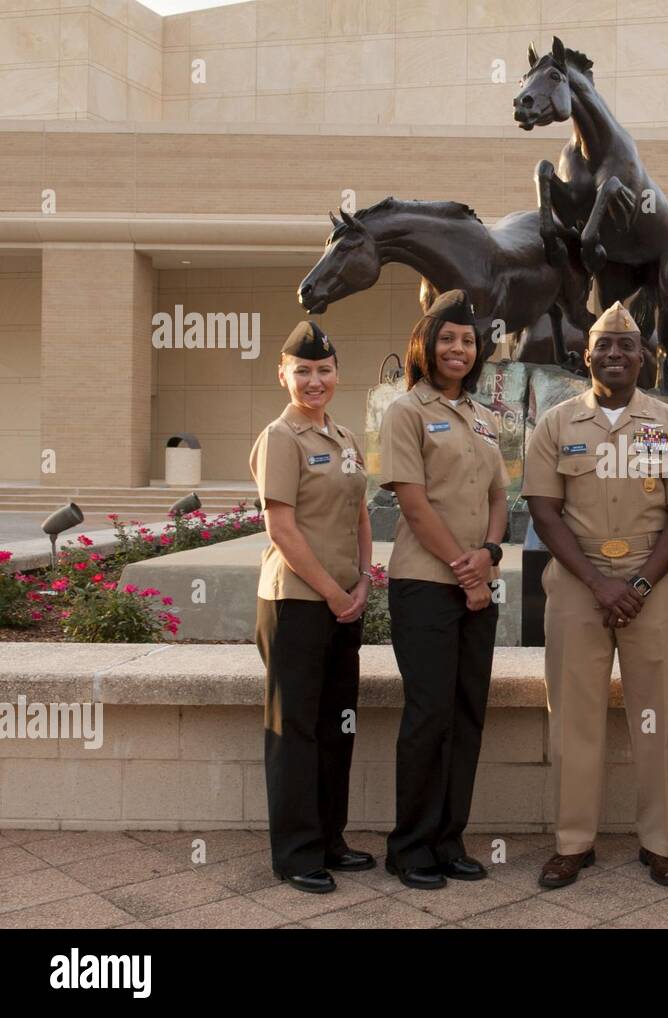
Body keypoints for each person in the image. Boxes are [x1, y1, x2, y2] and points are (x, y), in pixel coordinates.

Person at [524, 301, 668, 888]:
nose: (615, 355)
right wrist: (600, 583)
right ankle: (573, 843)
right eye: (604, 346)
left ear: (645, 358)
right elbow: (545, 513)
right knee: (573, 715)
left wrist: (641, 582)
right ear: (587, 356)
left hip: (654, 581)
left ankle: (661, 843)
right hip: (579, 582)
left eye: (627, 346)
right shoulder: (556, 424)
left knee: (656, 715)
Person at [378, 290, 509, 890]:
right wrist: (465, 567)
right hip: (426, 585)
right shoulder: (406, 410)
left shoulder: (485, 418)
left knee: (466, 714)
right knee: (429, 715)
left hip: (477, 582)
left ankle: (450, 840)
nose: (458, 348)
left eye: (467, 340)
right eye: (448, 338)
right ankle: (410, 846)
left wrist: (488, 556)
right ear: (426, 346)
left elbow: (499, 500)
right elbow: (412, 500)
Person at [251, 320, 374, 894]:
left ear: (336, 375)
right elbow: (282, 527)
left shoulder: (346, 438)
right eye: (302, 370)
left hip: (344, 603)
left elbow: (360, 515)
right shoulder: (281, 437)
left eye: (323, 370)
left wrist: (365, 582)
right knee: (294, 729)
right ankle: (296, 853)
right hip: (298, 601)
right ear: (283, 374)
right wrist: (332, 591)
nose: (314, 380)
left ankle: (330, 838)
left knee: (336, 725)